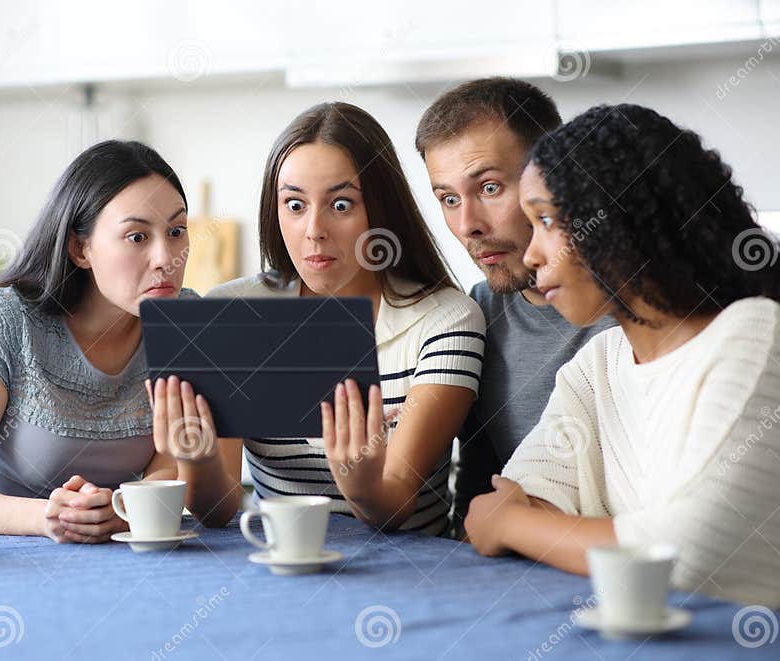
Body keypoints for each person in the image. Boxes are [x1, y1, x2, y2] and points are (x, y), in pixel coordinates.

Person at [465, 103, 780, 607]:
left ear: (616, 216)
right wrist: (527, 519)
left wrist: (513, 524)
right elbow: (525, 491)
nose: (531, 254)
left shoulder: (755, 336)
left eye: (547, 220)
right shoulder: (598, 364)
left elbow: (687, 555)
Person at [153, 102, 485, 536]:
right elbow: (217, 510)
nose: (314, 229)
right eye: (294, 205)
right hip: (283, 564)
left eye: (341, 204)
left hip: (406, 574)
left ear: (381, 210)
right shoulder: (234, 312)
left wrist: (360, 481)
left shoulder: (447, 319)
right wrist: (196, 458)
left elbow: (395, 505)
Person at [0, 140, 240, 543]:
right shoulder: (3, 322)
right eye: (137, 237)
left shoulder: (192, 326)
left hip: (129, 563)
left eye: (176, 232)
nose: (165, 257)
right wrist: (50, 517)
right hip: (4, 564)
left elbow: (190, 487)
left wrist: (128, 509)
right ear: (79, 248)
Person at [414, 78, 615, 536]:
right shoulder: (479, 310)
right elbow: (477, 484)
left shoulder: (632, 314)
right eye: (448, 199)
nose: (468, 226)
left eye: (488, 188)